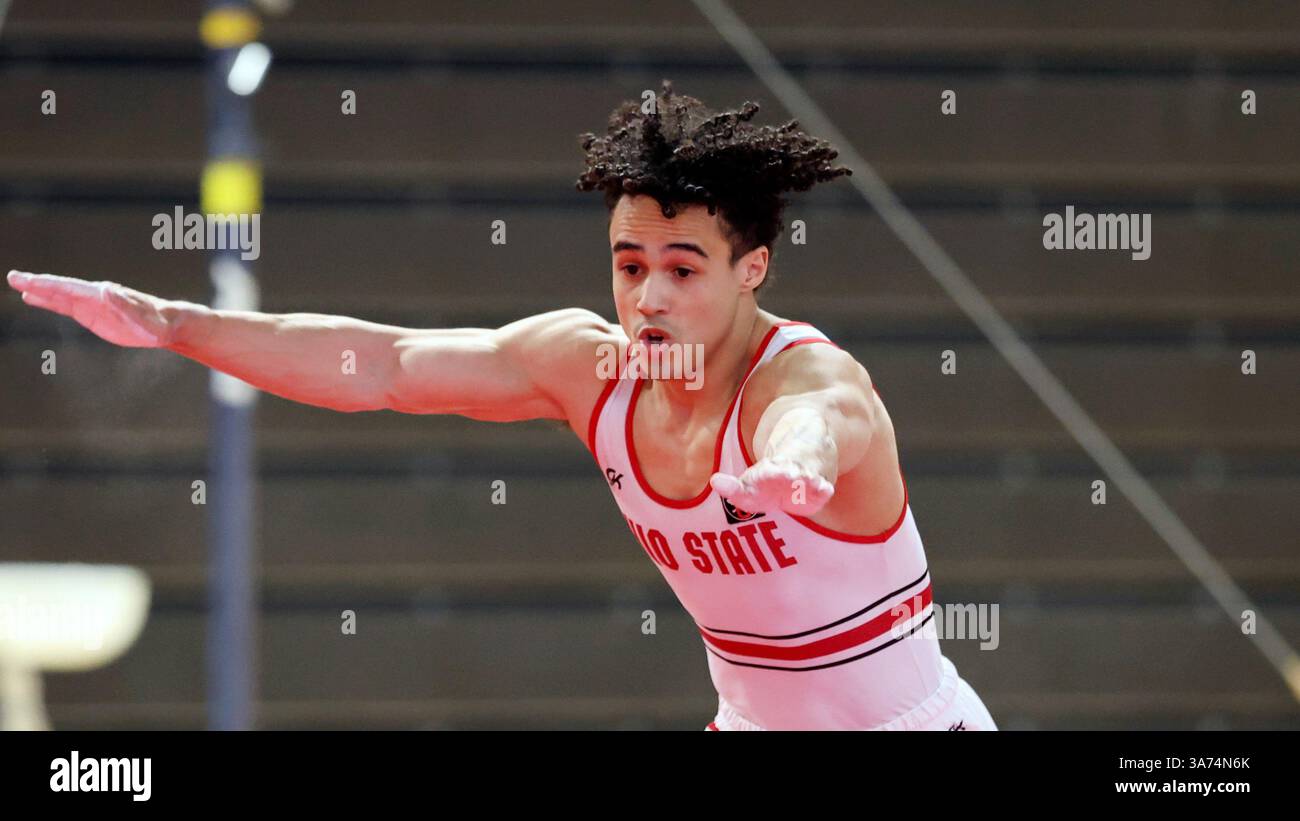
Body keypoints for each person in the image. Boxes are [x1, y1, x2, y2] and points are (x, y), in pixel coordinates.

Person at [7, 80, 995, 731]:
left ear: (755, 269)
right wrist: (177, 322)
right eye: (629, 263)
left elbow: (820, 420)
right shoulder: (590, 368)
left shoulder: (807, 385)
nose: (647, 296)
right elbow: (381, 362)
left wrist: (798, 464)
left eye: (682, 268)